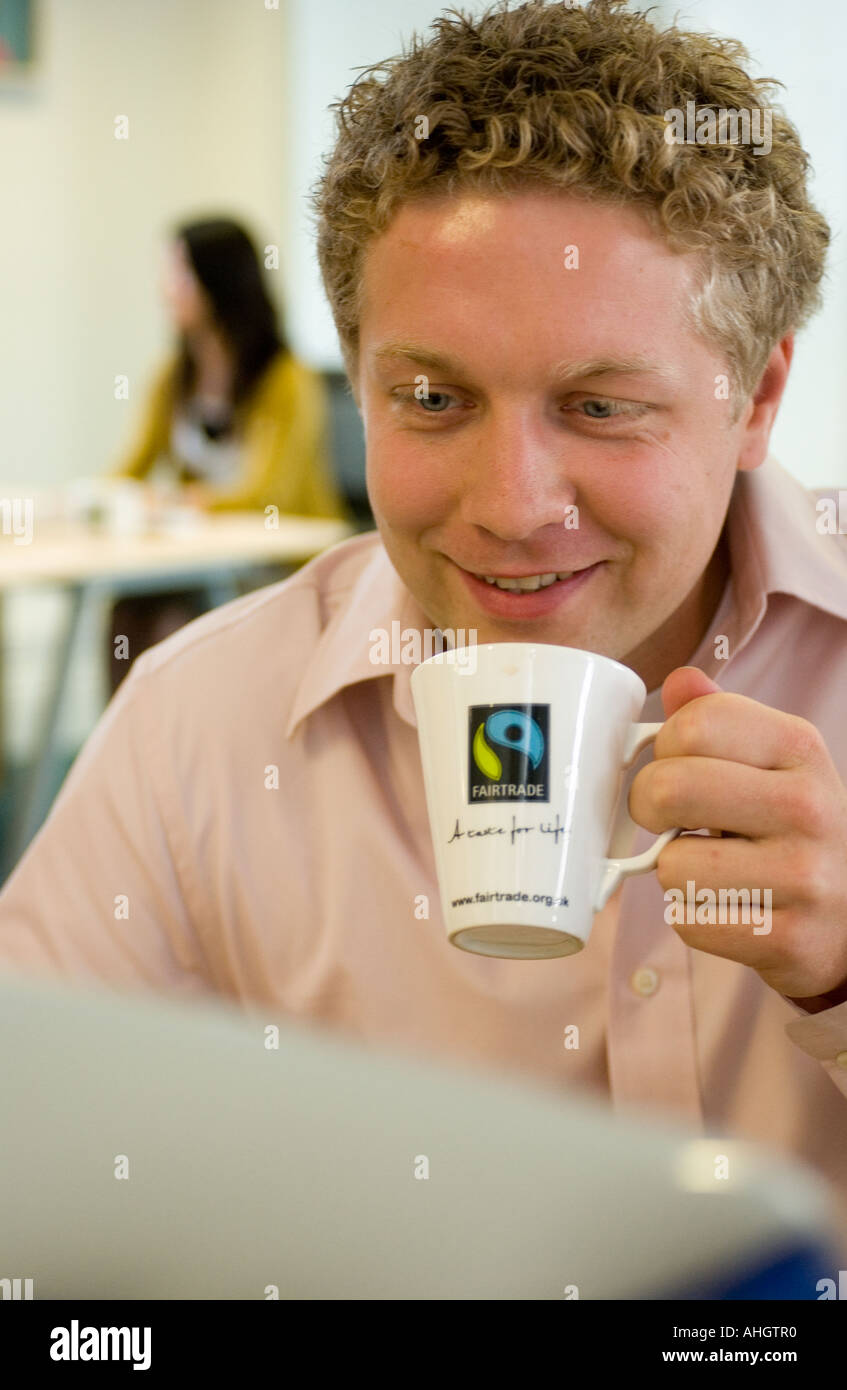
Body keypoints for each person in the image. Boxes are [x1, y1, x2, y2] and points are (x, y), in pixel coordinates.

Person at [2, 0, 847, 1249]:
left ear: (757, 392)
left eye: (601, 407)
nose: (508, 508)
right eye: (432, 397)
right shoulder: (203, 725)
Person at [106, 217, 350, 691]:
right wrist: (97, 501)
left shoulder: (287, 381)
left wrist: (181, 503)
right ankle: (136, 752)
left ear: (218, 281)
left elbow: (269, 493)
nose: (166, 290)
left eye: (180, 275)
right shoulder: (173, 378)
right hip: (207, 561)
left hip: (283, 565)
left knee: (185, 620)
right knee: (129, 610)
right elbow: (129, 471)